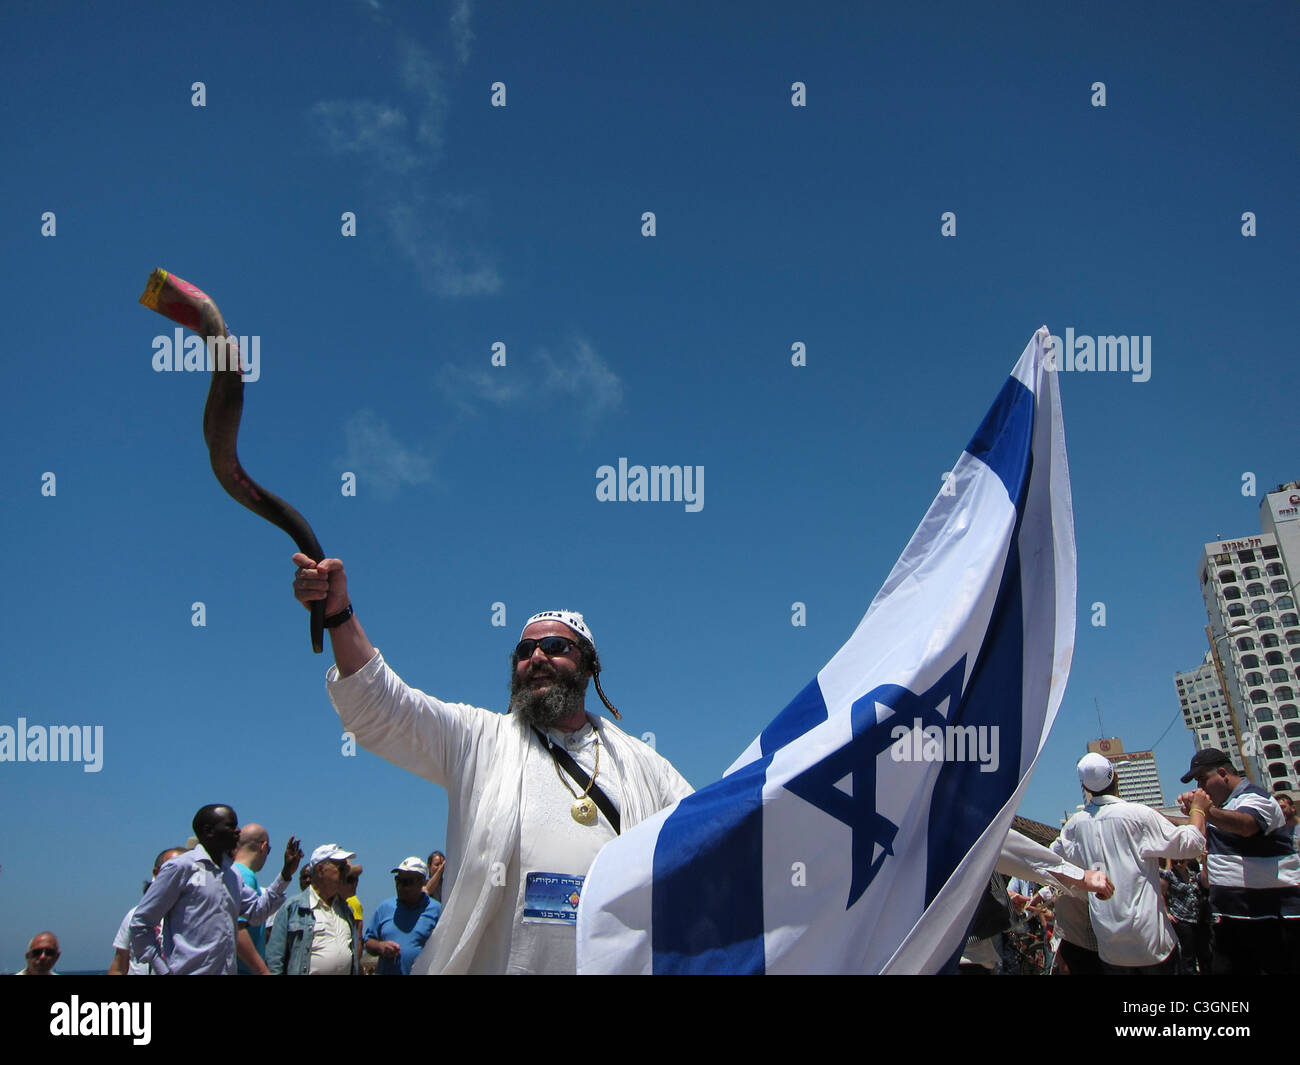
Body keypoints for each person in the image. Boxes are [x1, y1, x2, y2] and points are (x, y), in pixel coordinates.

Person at [293, 554, 694, 974]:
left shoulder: (640, 763)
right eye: (525, 649)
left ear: (589, 665)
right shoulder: (478, 739)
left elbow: (706, 827)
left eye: (555, 646)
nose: (536, 657)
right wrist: (339, 614)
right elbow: (386, 707)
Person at [1055, 753, 1210, 974]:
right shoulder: (1137, 814)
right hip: (1150, 942)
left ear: (1086, 788)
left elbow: (1055, 859)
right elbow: (1192, 844)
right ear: (1116, 777)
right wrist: (1198, 808)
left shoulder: (1075, 826)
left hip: (1109, 944)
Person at [130, 805, 301, 975]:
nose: (237, 832)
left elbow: (256, 912)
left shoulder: (232, 874)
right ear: (208, 831)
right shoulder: (182, 868)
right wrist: (163, 970)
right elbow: (141, 923)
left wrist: (286, 874)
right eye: (231, 826)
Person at [1178, 748, 1300, 974]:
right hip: (1233, 918)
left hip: (1271, 918)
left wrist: (1204, 810)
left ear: (1223, 773)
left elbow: (1245, 825)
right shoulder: (1224, 809)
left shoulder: (1256, 797)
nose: (1200, 788)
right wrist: (1152, 818)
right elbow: (1193, 825)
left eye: (1203, 779)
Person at [266, 844, 361, 975]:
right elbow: (274, 960)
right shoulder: (293, 908)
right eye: (341, 868)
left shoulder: (346, 910)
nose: (346, 873)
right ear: (321, 870)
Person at [109, 846, 185, 975]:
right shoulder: (136, 915)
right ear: (156, 873)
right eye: (172, 870)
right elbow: (119, 967)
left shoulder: (198, 917)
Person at [365, 857, 442, 975]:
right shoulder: (384, 908)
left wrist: (427, 963)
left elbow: (446, 947)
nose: (400, 886)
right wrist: (380, 946)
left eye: (407, 882)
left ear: (421, 882)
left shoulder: (437, 911)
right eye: (398, 880)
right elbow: (368, 942)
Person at [232, 824, 273, 975]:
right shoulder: (245, 876)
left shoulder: (231, 871)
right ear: (263, 846)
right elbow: (237, 929)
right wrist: (262, 971)